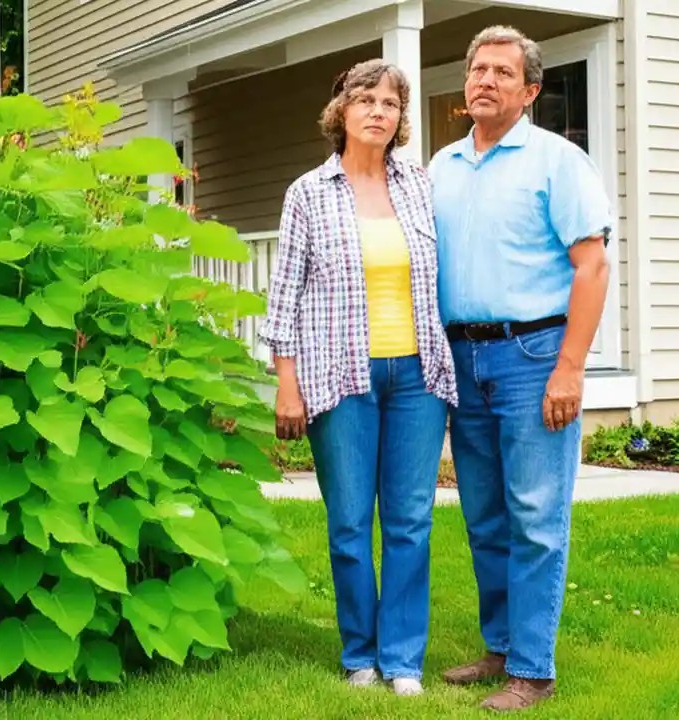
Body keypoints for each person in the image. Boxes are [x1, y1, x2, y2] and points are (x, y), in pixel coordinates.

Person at [427, 26, 612, 712]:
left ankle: (534, 670)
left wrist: (570, 368)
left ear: (530, 90)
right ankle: (500, 647)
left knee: (535, 515)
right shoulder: (441, 165)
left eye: (503, 72)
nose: (485, 80)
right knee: (485, 516)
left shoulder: (558, 161)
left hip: (535, 356)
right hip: (461, 357)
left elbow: (591, 266)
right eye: (478, 68)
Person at [259, 59, 457, 698]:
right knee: (349, 523)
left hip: (419, 375)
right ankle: (359, 655)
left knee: (409, 521)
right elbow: (284, 296)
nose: (379, 111)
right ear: (340, 111)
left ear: (401, 119)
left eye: (392, 103)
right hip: (338, 377)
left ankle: (402, 662)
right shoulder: (308, 193)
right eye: (366, 100)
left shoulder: (420, 187)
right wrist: (285, 382)